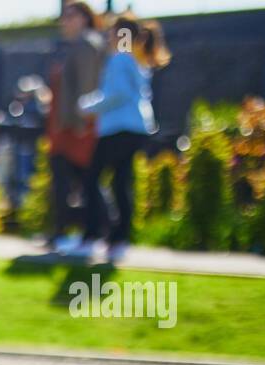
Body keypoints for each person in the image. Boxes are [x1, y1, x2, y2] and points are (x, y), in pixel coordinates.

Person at [74, 14, 170, 262]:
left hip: (119, 128)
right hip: (135, 128)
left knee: (92, 176)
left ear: (122, 35)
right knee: (120, 181)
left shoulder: (120, 59)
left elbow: (117, 94)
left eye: (111, 32)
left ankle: (94, 235)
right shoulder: (135, 60)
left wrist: (86, 107)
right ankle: (118, 238)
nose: (107, 36)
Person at [48, 2, 106, 251]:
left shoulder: (86, 45)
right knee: (80, 180)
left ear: (84, 18)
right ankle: (76, 232)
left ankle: (92, 232)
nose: (65, 22)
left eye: (70, 16)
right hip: (69, 126)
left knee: (83, 180)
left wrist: (83, 122)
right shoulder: (75, 46)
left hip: (77, 128)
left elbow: (87, 88)